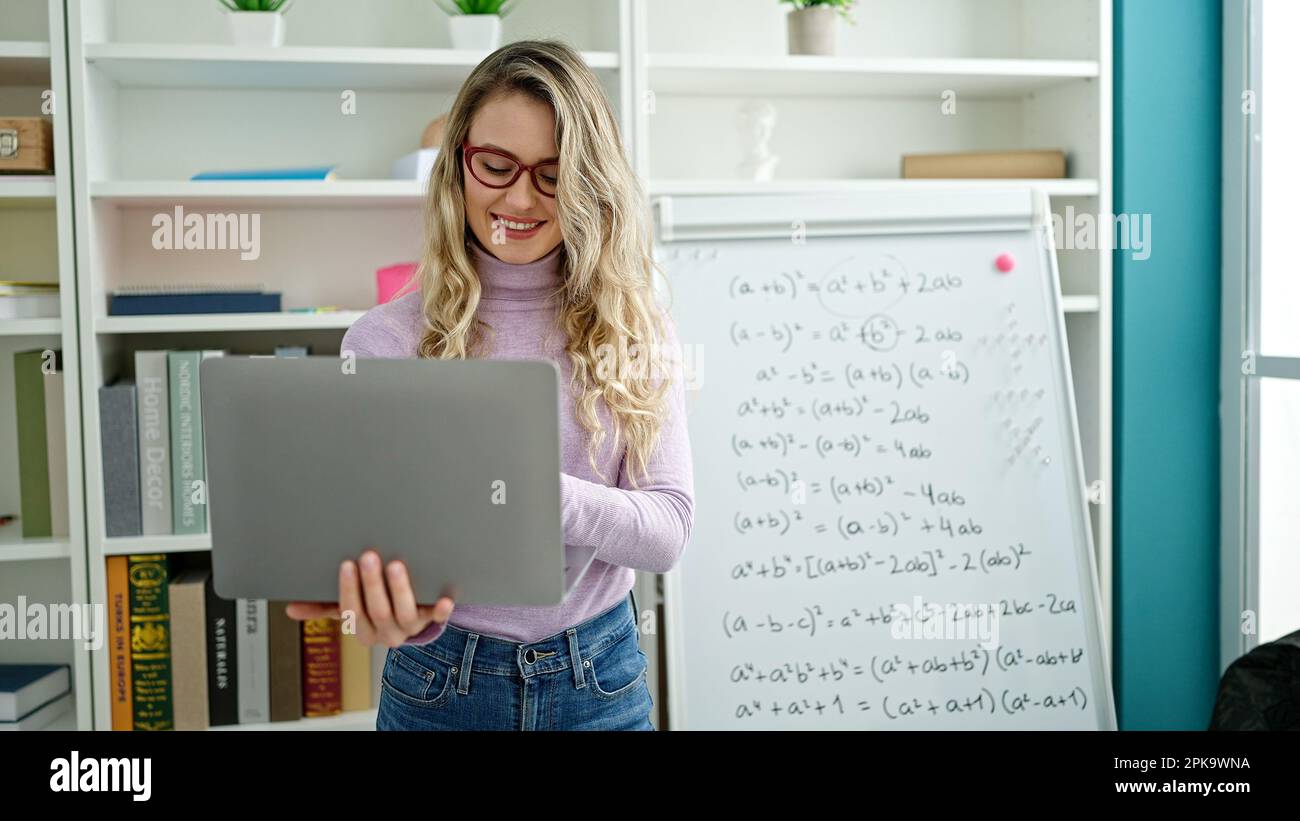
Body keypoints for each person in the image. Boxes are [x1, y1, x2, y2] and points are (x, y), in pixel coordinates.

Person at [286, 39, 694, 731]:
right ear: (458, 167)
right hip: (440, 682)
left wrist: (539, 493)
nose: (517, 197)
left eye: (552, 175)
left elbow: (668, 531)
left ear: (588, 183)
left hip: (601, 674)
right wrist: (391, 614)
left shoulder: (635, 325)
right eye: (496, 165)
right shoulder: (383, 341)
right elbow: (373, 556)